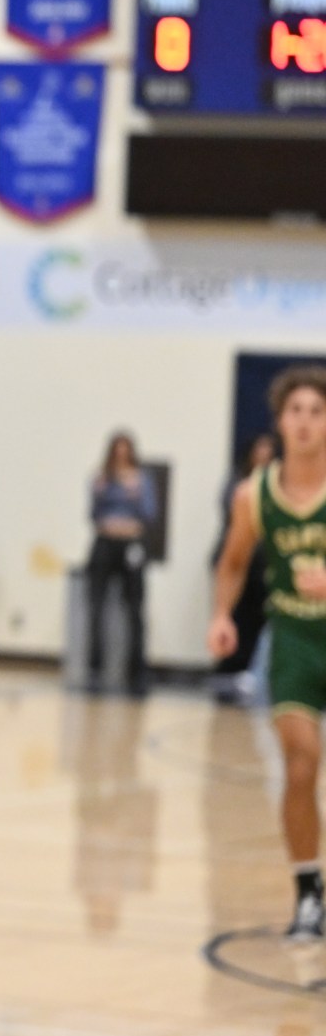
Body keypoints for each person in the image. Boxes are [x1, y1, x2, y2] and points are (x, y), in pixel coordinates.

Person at [208, 365, 326, 940]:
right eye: (295, 411)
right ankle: (308, 894)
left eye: (316, 411)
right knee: (300, 764)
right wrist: (222, 616)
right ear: (279, 421)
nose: (305, 423)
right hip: (297, 640)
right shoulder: (254, 493)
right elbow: (231, 563)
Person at [86, 430, 159, 695]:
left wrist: (134, 495)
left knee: (135, 608)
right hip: (105, 543)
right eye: (116, 450)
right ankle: (95, 665)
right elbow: (94, 514)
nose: (120, 455)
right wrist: (100, 492)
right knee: (96, 604)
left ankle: (136, 667)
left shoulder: (142, 480)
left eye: (125, 450)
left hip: (131, 544)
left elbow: (149, 514)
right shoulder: (102, 478)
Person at [212, 432, 278, 703]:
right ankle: (245, 671)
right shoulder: (244, 490)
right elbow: (231, 562)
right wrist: (221, 615)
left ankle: (257, 672)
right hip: (250, 561)